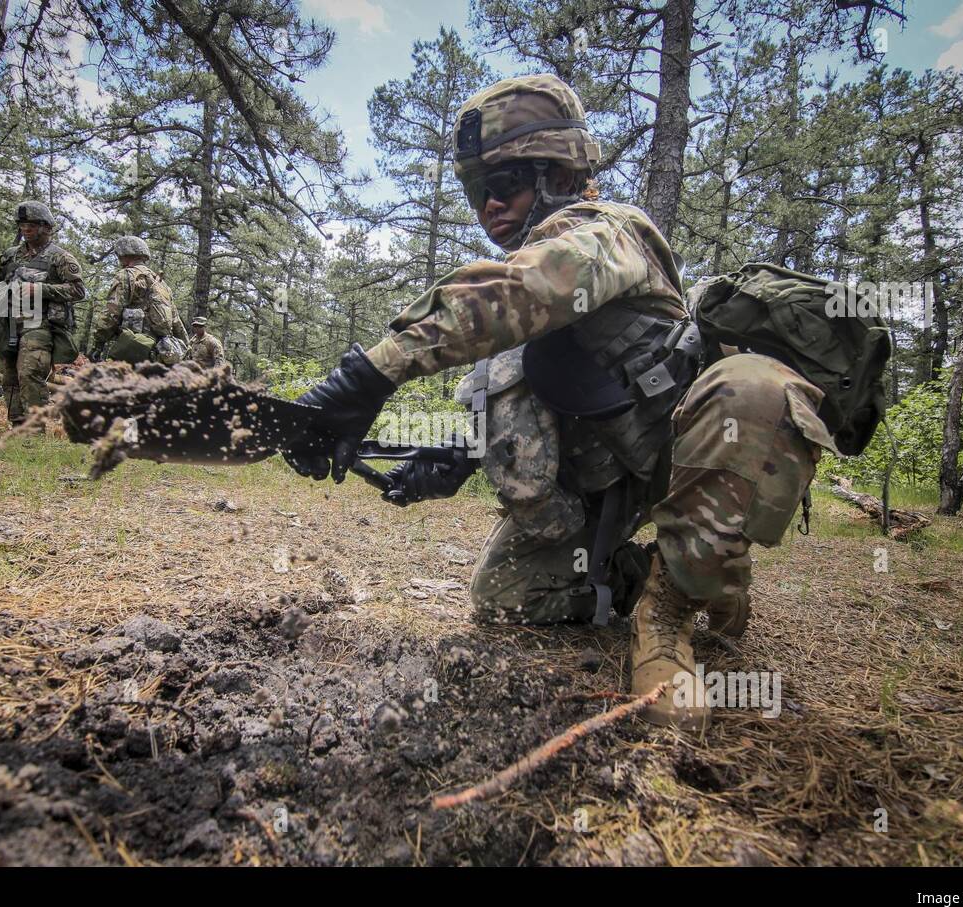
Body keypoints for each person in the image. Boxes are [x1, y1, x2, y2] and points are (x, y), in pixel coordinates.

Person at [284, 75, 837, 731]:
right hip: (605, 480)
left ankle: (668, 611)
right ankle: (658, 566)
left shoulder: (605, 233)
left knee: (754, 385)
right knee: (507, 598)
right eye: (477, 192)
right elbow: (531, 383)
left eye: (507, 182)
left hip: (682, 457)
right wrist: (457, 458)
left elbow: (528, 290)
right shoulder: (525, 285)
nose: (489, 205)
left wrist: (371, 374)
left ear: (557, 170)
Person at [0, 200, 85, 424]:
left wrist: (40, 289)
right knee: (9, 375)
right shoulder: (10, 256)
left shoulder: (60, 258)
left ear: (46, 227)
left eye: (31, 225)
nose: (26, 229)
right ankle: (18, 424)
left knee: (30, 372)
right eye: (22, 225)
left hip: (41, 325)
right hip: (9, 323)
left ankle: (34, 429)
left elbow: (78, 290)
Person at [94, 236, 185, 365]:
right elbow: (176, 321)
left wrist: (98, 342)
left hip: (132, 347)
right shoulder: (161, 283)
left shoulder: (126, 275)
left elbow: (111, 313)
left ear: (124, 254)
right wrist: (185, 347)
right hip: (159, 350)